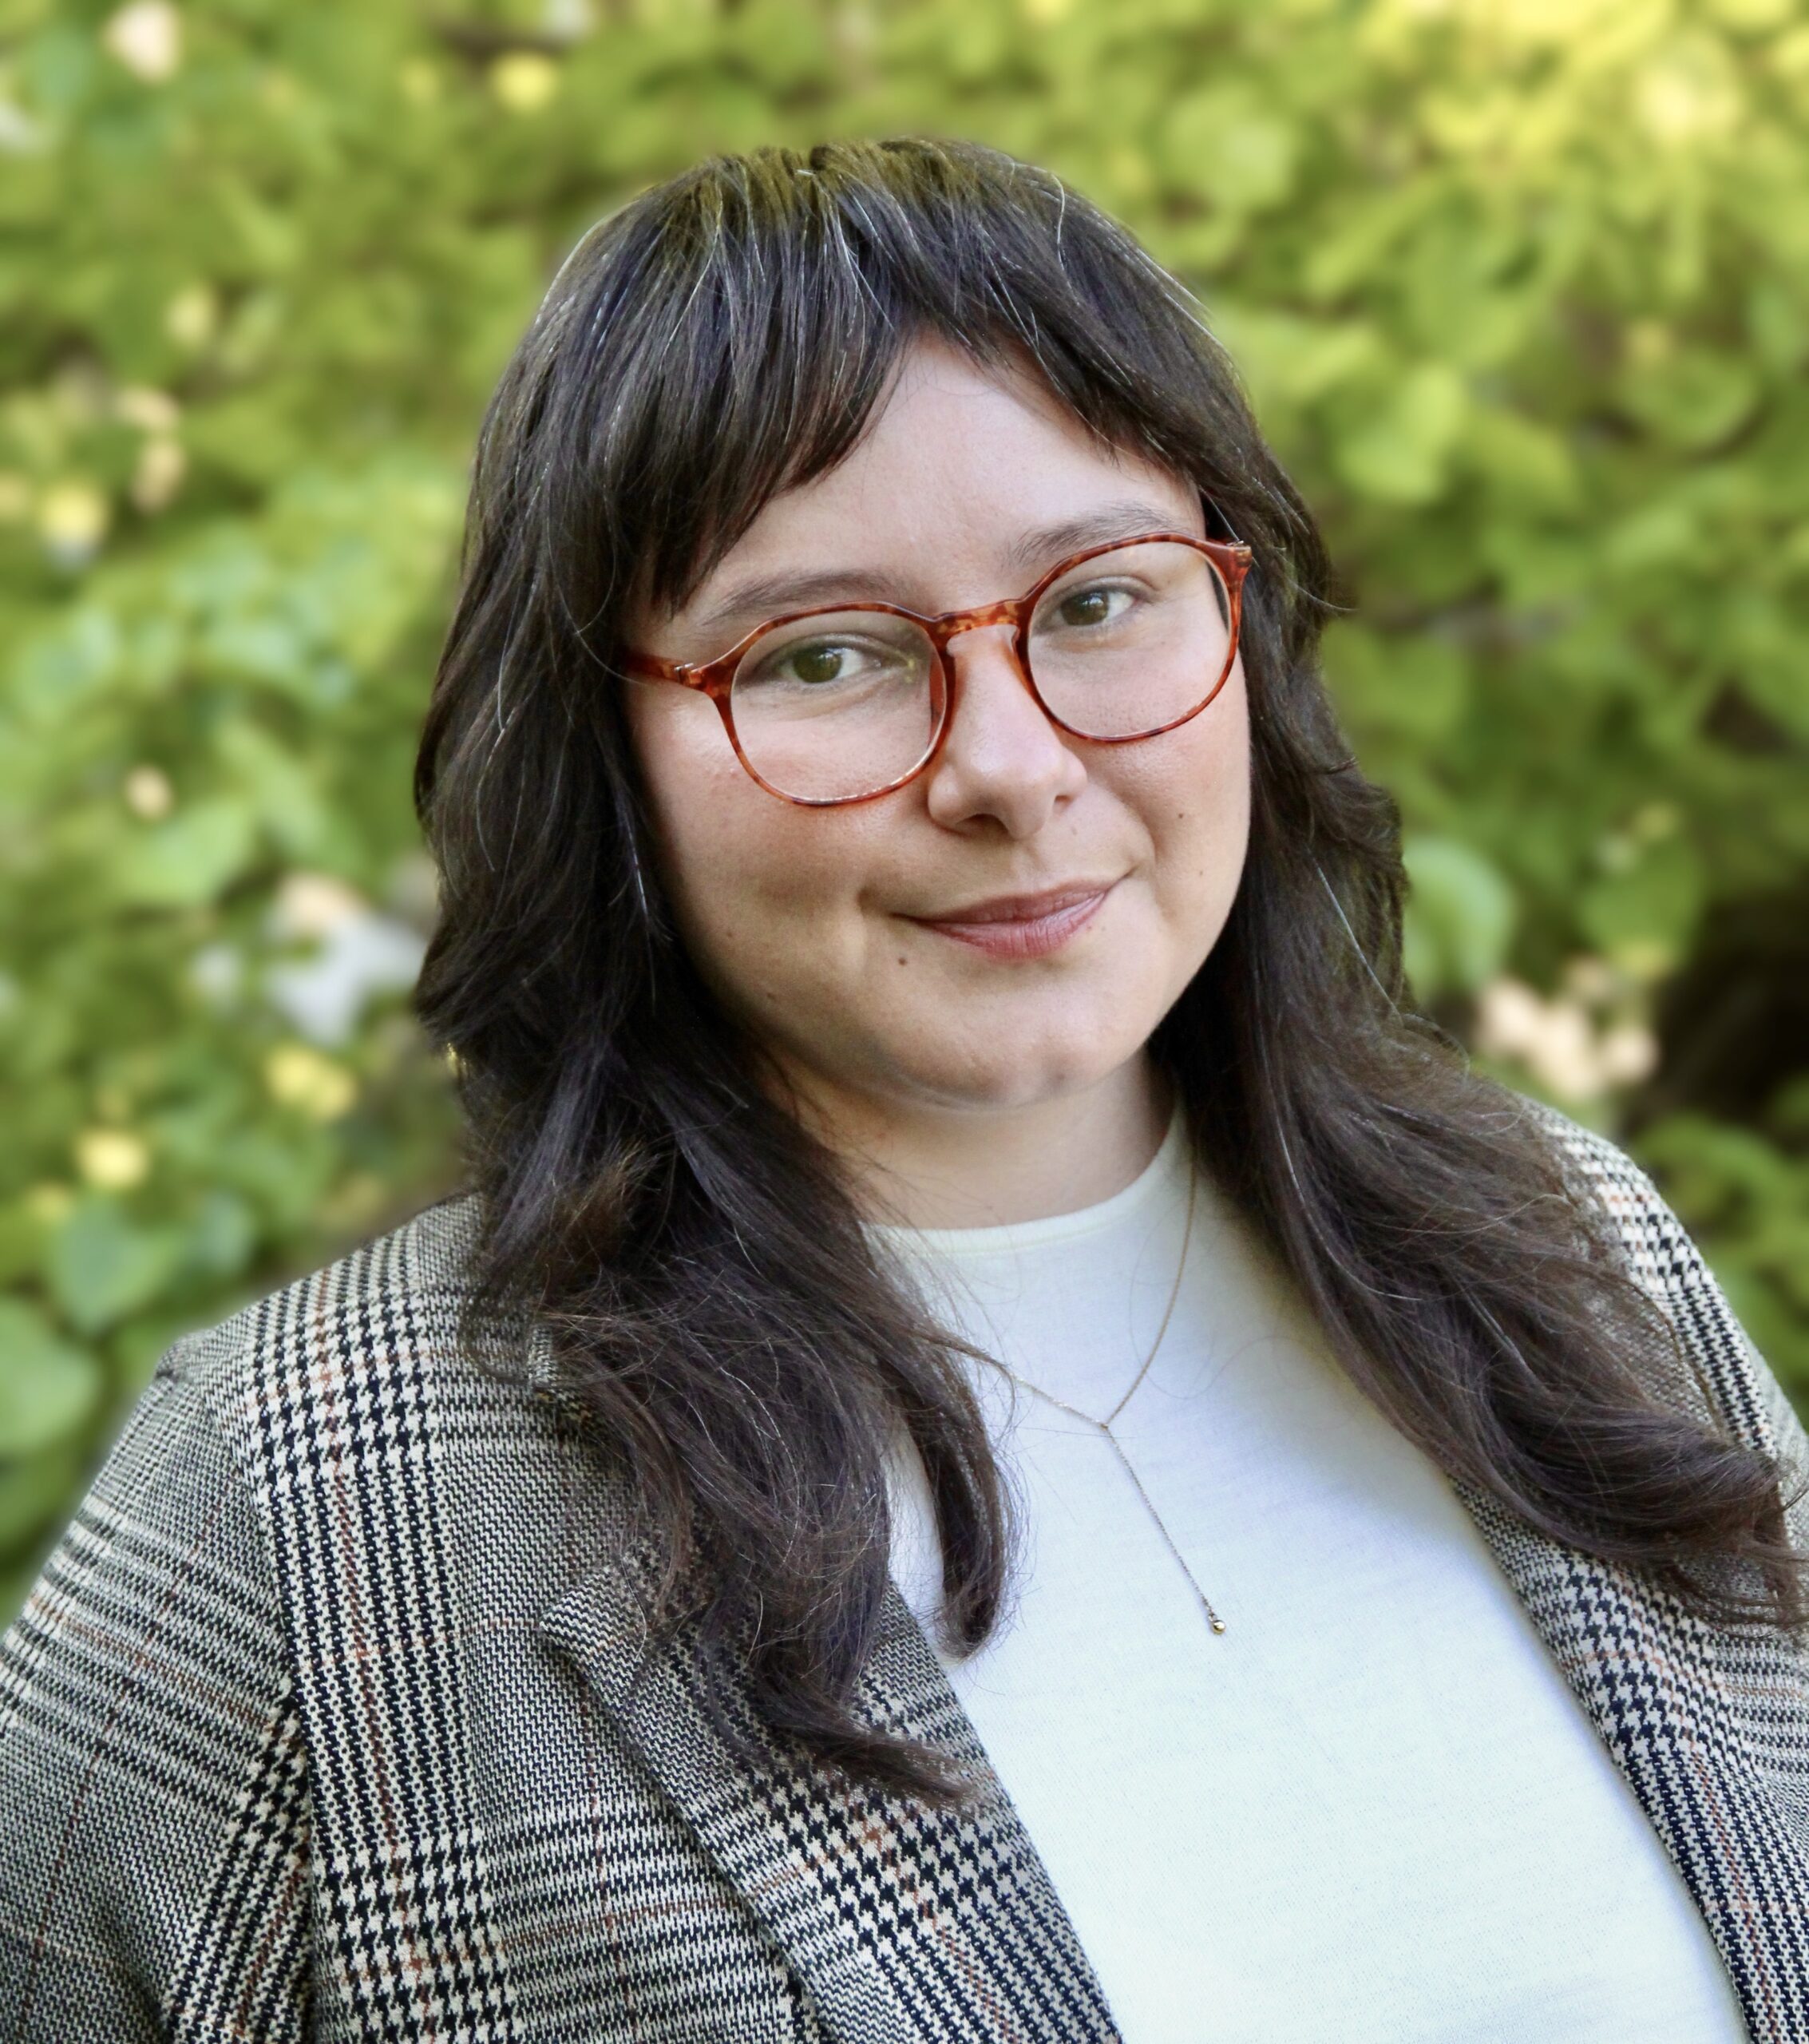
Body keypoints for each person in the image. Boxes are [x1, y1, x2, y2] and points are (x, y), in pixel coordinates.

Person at [2, 137, 1806, 2044]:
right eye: (830, 654)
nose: (1012, 768)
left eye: (1099, 601)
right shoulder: (299, 1512)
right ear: (600, 756)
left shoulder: (1566, 1252)